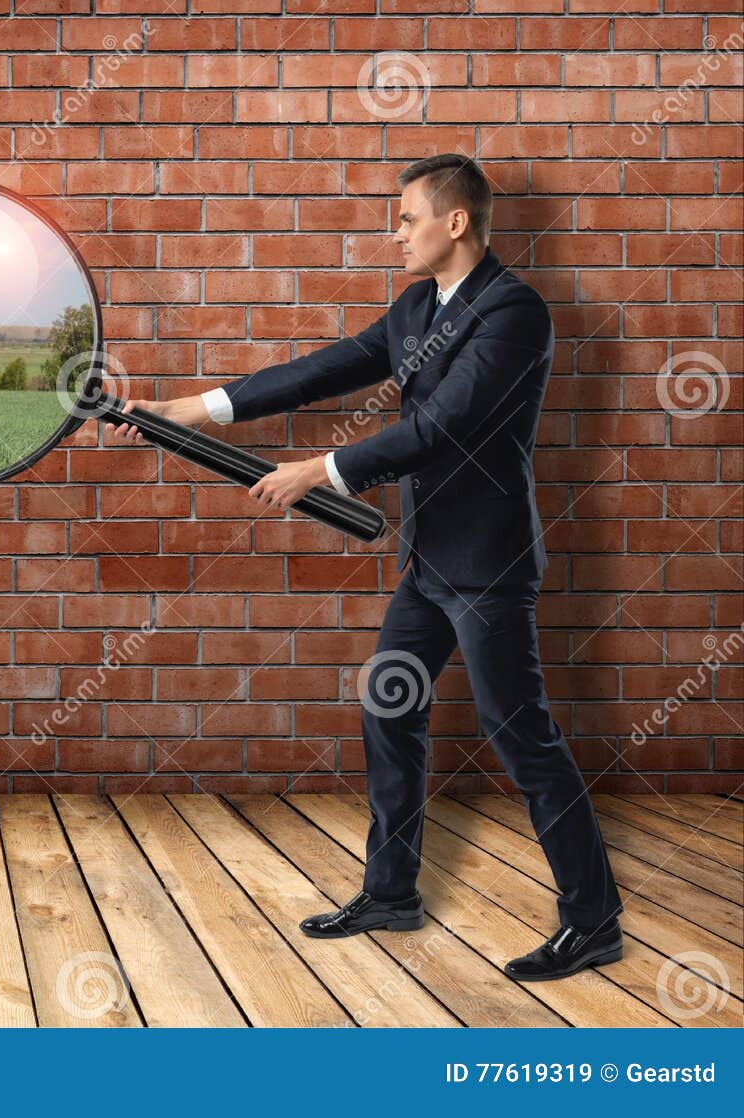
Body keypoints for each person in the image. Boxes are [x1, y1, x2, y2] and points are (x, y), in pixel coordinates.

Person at [114, 153, 624, 982]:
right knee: (390, 707)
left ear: (453, 222)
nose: (395, 232)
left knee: (517, 733)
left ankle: (594, 917)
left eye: (405, 218)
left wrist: (323, 471)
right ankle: (390, 893)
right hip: (428, 560)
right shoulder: (418, 305)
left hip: (488, 564)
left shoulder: (514, 312)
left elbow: (445, 427)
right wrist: (185, 407)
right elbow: (323, 369)